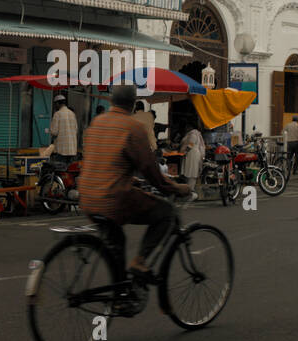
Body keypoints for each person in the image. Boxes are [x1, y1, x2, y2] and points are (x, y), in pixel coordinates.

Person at [80, 83, 191, 282]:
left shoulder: (97, 123)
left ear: (112, 101)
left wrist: (129, 179)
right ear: (133, 105)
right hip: (113, 199)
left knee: (116, 240)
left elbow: (103, 162)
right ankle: (139, 262)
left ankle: (119, 291)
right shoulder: (133, 128)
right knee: (166, 213)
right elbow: (151, 172)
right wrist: (174, 188)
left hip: (87, 197)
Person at [49, 95, 79, 164]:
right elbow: (76, 130)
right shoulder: (72, 114)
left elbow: (54, 132)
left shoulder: (57, 114)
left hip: (61, 150)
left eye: (55, 104)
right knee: (67, 170)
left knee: (59, 169)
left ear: (57, 103)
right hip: (72, 149)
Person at [180, 120, 205, 195]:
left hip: (192, 154)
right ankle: (189, 189)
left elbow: (191, 144)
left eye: (187, 126)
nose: (185, 128)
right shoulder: (193, 133)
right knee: (190, 170)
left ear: (190, 127)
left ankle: (190, 189)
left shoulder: (193, 133)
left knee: (191, 171)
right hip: (191, 154)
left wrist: (185, 151)